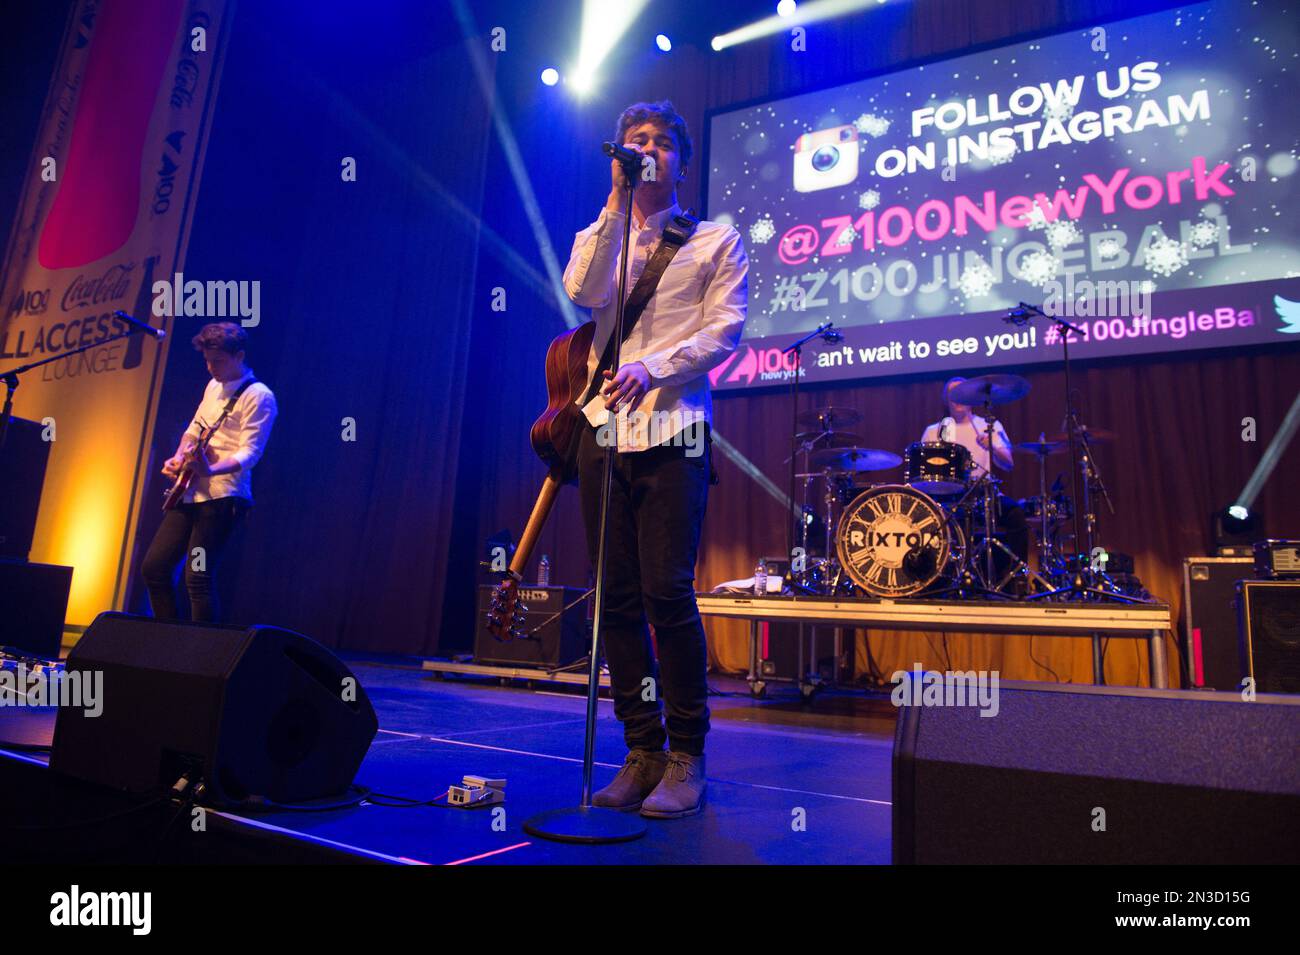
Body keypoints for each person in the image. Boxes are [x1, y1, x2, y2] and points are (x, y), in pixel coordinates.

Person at [562, 100, 747, 818]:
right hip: (604, 430)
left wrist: (657, 366)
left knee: (668, 592)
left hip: (678, 427)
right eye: (637, 142)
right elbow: (583, 293)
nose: (650, 151)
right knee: (617, 597)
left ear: (683, 160)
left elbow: (726, 330)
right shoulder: (603, 230)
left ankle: (687, 755)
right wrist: (615, 199)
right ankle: (639, 749)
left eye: (663, 143)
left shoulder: (715, 240)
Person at [141, 322, 276, 622]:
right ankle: (167, 644)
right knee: (155, 567)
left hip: (224, 498)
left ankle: (200, 659)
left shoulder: (259, 396)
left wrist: (210, 469)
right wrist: (178, 459)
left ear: (239, 355)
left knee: (197, 577)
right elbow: (194, 429)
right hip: (190, 492)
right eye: (207, 361)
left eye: (218, 361)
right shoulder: (213, 386)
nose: (211, 368)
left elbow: (250, 453)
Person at [921, 376, 1029, 582]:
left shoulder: (988, 425)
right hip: (949, 496)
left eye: (961, 393)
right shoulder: (935, 431)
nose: (957, 399)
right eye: (952, 395)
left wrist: (992, 445)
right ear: (946, 400)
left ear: (972, 397)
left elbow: (1009, 463)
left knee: (1015, 514)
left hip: (983, 493)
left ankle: (1017, 577)